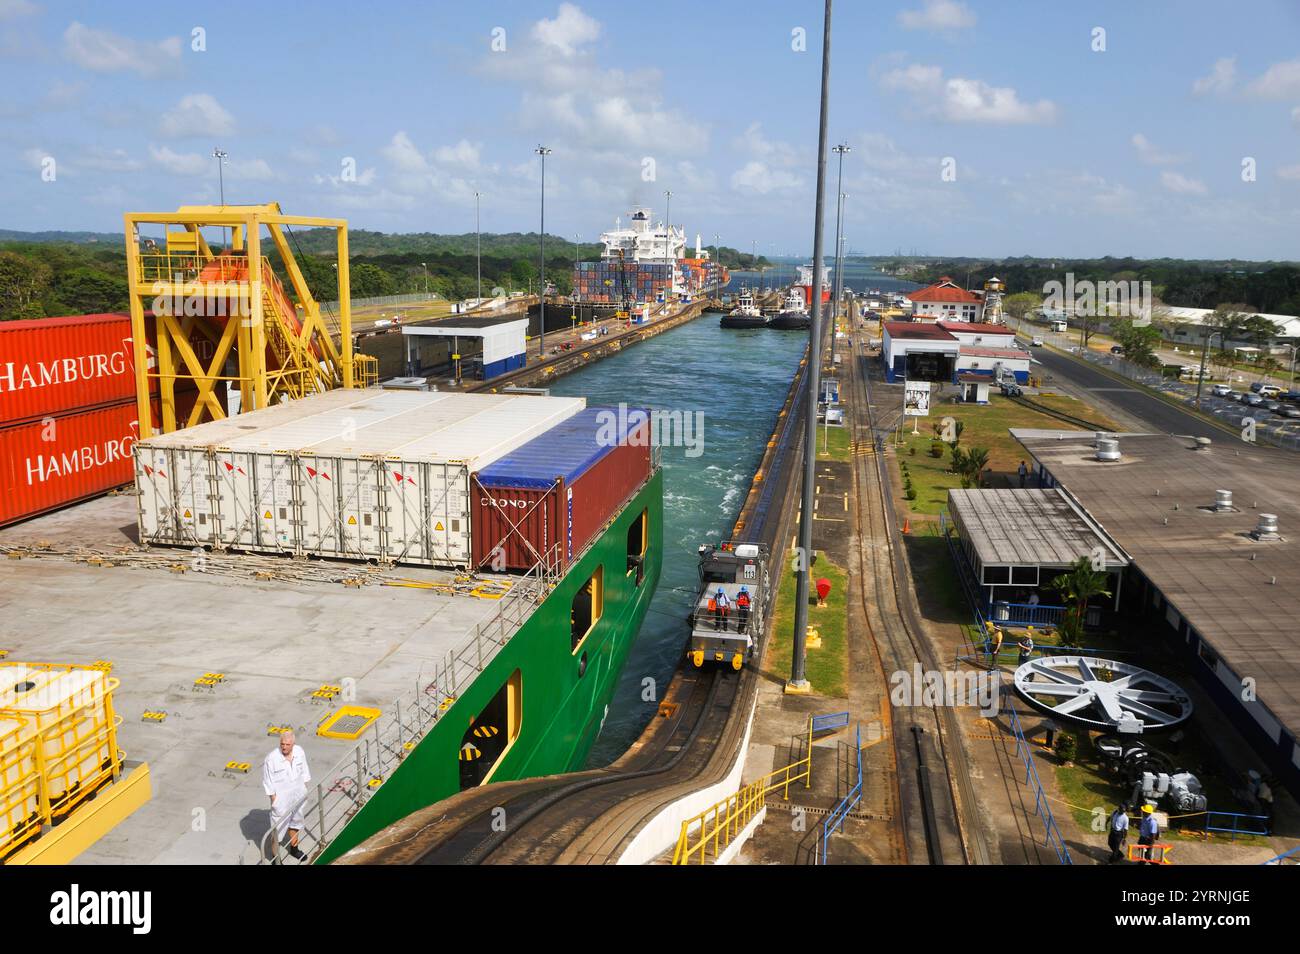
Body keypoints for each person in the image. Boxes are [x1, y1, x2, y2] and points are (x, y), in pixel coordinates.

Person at [263, 729, 311, 861]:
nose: (284, 747)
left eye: (287, 745)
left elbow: (305, 771)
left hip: (298, 795)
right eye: (282, 744)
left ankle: (294, 849)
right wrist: (274, 800)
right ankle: (275, 859)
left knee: (296, 822)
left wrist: (304, 788)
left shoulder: (299, 752)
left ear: (293, 744)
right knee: (277, 831)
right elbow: (268, 782)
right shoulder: (271, 759)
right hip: (281, 800)